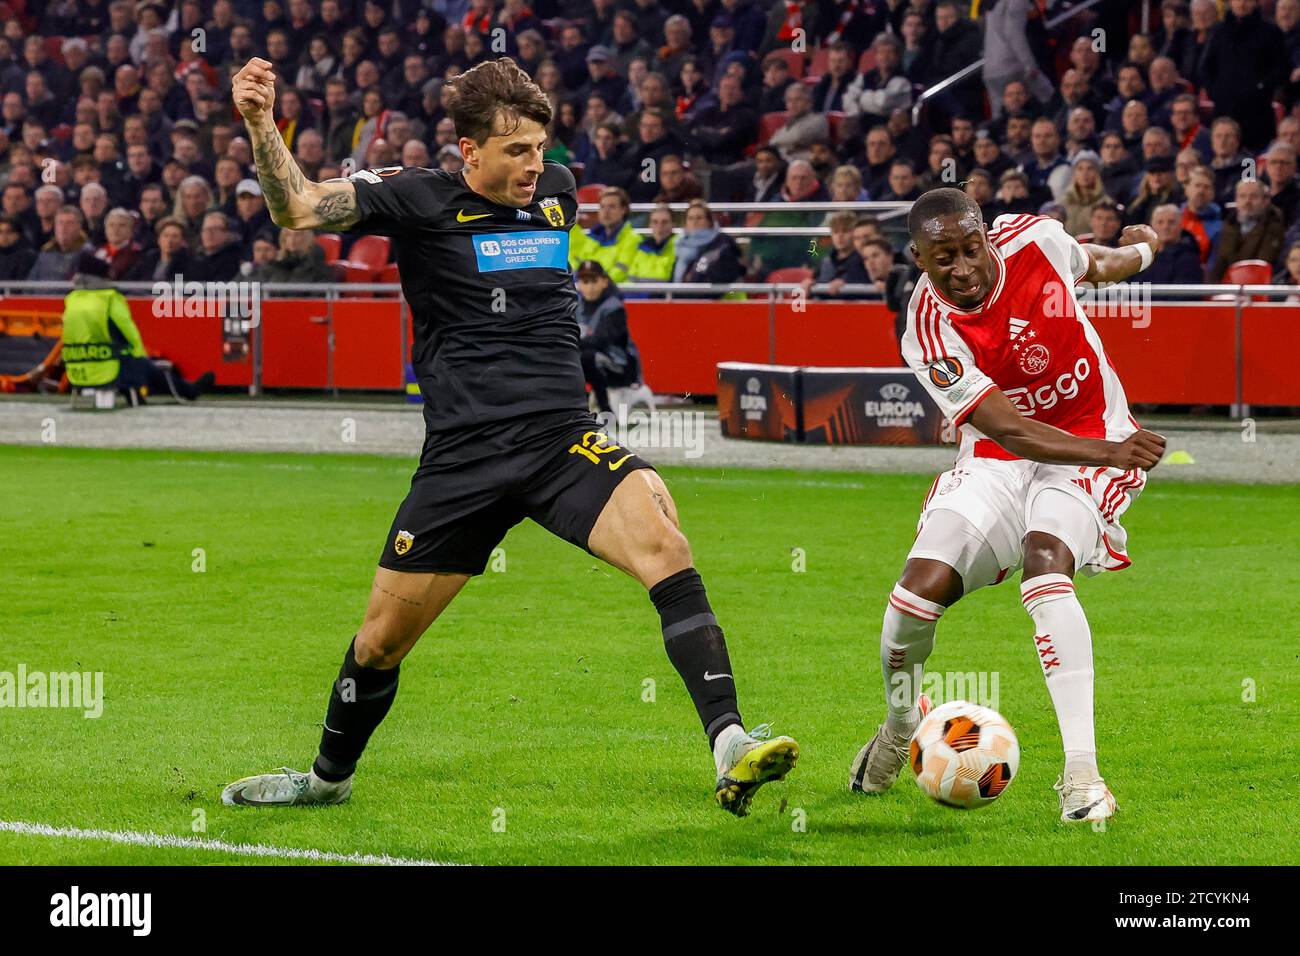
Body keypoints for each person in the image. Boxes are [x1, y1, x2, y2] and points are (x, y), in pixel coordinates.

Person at [220, 56, 798, 816]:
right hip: (462, 459)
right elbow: (296, 209)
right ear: (470, 153)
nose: (536, 165)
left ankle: (729, 743)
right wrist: (263, 124)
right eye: (516, 150)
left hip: (562, 441)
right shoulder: (416, 197)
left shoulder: (555, 194)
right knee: (379, 644)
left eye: (540, 148)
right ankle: (327, 781)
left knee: (665, 540)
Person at [849, 188, 1167, 824]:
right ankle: (898, 723)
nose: (962, 268)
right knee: (912, 598)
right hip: (1003, 457)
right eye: (944, 258)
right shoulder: (927, 328)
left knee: (1046, 569)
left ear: (987, 239)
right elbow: (1011, 429)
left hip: (1087, 444)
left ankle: (1083, 777)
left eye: (971, 250)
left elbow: (1097, 264)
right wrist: (1113, 448)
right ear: (918, 258)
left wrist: (1145, 247)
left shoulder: (1035, 241)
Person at [61, 250, 215, 401]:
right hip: (108, 371)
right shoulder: (109, 298)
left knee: (133, 362)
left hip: (76, 373)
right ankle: (188, 391)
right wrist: (140, 355)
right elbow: (129, 331)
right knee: (145, 365)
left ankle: (140, 395)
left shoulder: (72, 300)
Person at [575, 259, 640, 413]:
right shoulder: (576, 306)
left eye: (594, 281)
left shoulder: (614, 307)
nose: (589, 286)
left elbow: (600, 340)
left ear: (604, 282)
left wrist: (572, 344)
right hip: (592, 361)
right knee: (575, 358)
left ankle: (605, 409)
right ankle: (578, 406)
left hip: (620, 366)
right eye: (585, 281)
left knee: (586, 357)